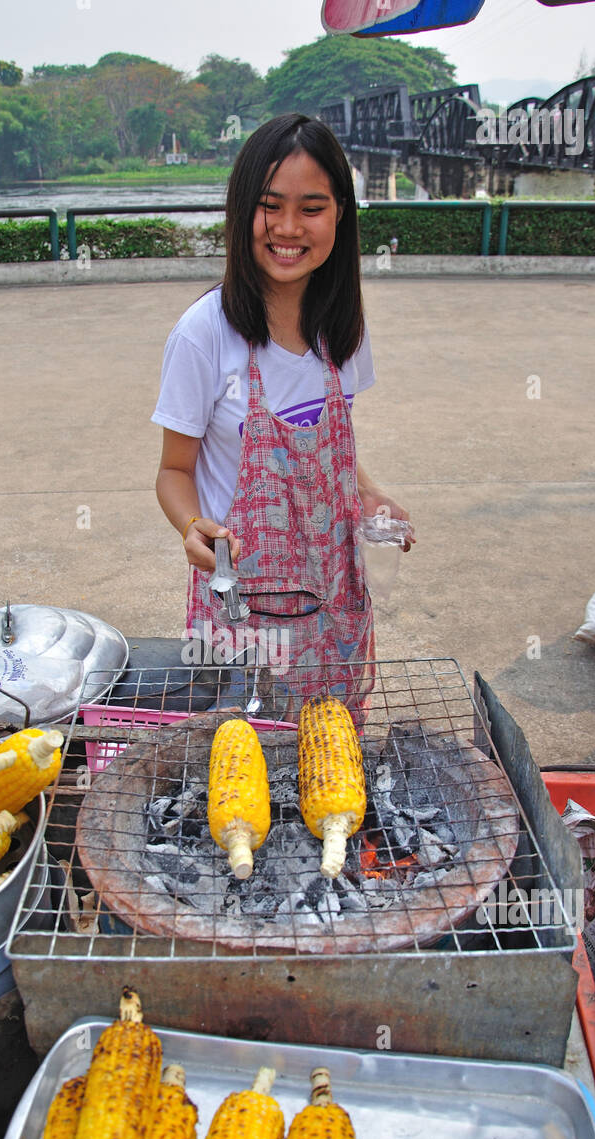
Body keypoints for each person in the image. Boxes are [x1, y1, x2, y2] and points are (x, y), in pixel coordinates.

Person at [153, 112, 413, 714]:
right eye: (271, 206)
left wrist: (369, 495)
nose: (289, 228)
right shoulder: (204, 334)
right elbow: (172, 472)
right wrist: (193, 526)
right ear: (241, 209)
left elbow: (335, 450)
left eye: (312, 207)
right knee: (244, 767)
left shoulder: (343, 329)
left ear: (340, 214)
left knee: (331, 767)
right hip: (244, 610)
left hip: (335, 602)